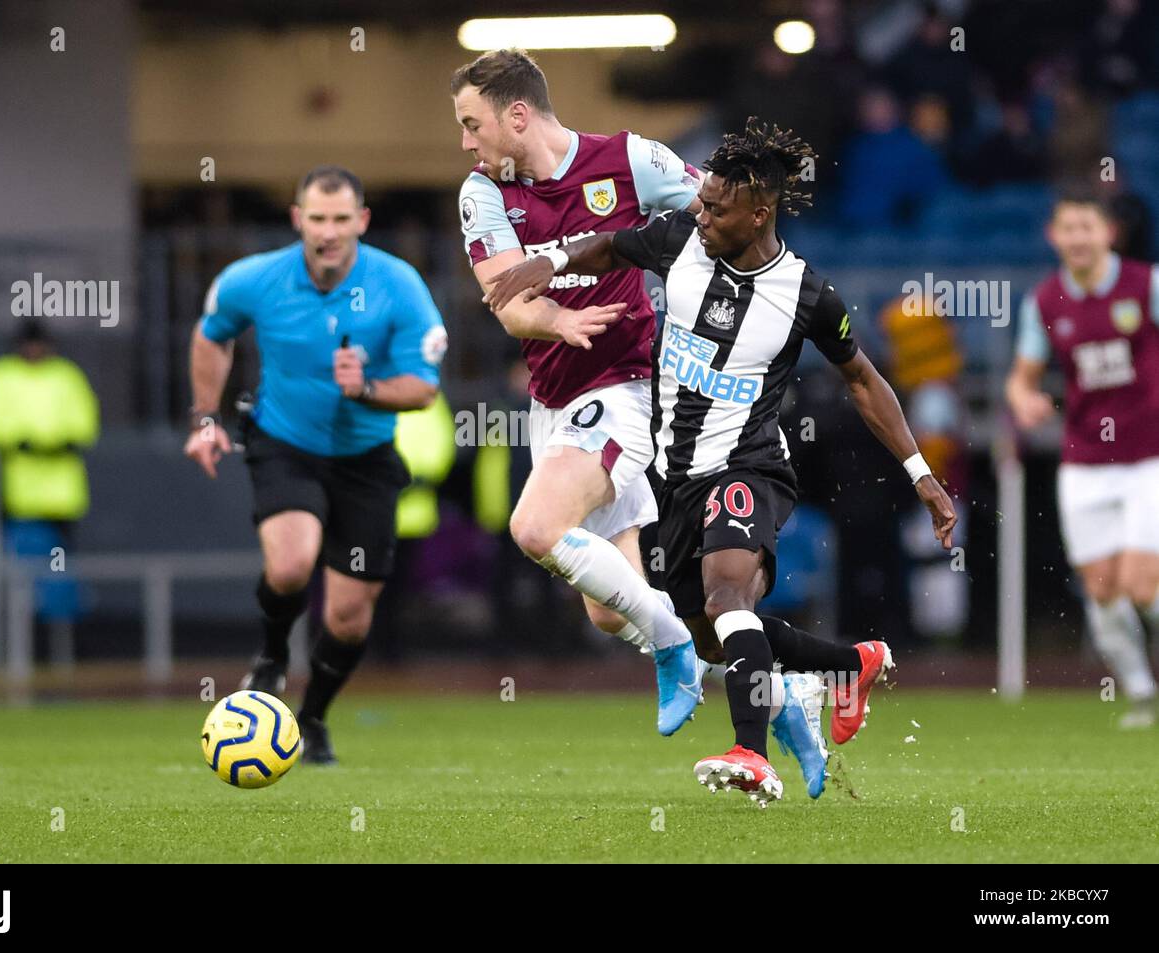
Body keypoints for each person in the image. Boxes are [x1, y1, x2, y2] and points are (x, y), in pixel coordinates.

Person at [485, 119, 958, 804]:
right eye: (700, 202)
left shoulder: (806, 293)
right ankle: (849, 662)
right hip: (676, 475)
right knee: (711, 636)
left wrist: (921, 475)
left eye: (715, 207)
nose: (698, 213)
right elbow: (610, 246)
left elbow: (864, 380)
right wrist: (549, 264)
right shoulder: (681, 242)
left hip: (750, 465)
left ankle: (750, 752)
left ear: (759, 212)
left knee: (725, 594)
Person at [452, 47, 710, 736]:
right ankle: (776, 688)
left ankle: (677, 648)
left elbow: (719, 212)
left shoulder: (631, 160)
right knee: (607, 608)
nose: (466, 142)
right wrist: (558, 318)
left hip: (625, 385)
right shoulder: (482, 191)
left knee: (534, 527)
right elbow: (507, 299)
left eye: (472, 124)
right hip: (554, 400)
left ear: (516, 115)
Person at [185, 165, 447, 764]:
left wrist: (367, 390)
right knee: (291, 565)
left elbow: (423, 390)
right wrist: (205, 420)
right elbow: (211, 334)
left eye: (340, 219)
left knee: (350, 617)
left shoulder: (399, 285)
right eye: (317, 218)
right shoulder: (254, 279)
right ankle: (273, 653)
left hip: (365, 457)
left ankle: (314, 718)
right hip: (285, 445)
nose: (328, 232)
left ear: (362, 221)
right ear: (298, 219)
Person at [1006, 191, 1159, 729]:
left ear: (1108, 232)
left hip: (1149, 457)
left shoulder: (1148, 285)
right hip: (1085, 460)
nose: (1077, 237)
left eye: (1086, 226)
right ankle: (1141, 691)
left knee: (1143, 585)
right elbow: (1022, 379)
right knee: (1102, 592)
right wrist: (1025, 402)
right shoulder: (1045, 302)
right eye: (1067, 228)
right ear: (1054, 237)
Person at [0, 318, 99, 656]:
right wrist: (37, 442)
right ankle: (25, 656)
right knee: (23, 582)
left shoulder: (66, 376)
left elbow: (83, 425)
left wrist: (41, 442)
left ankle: (61, 655)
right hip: (20, 501)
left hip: (62, 500)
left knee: (61, 581)